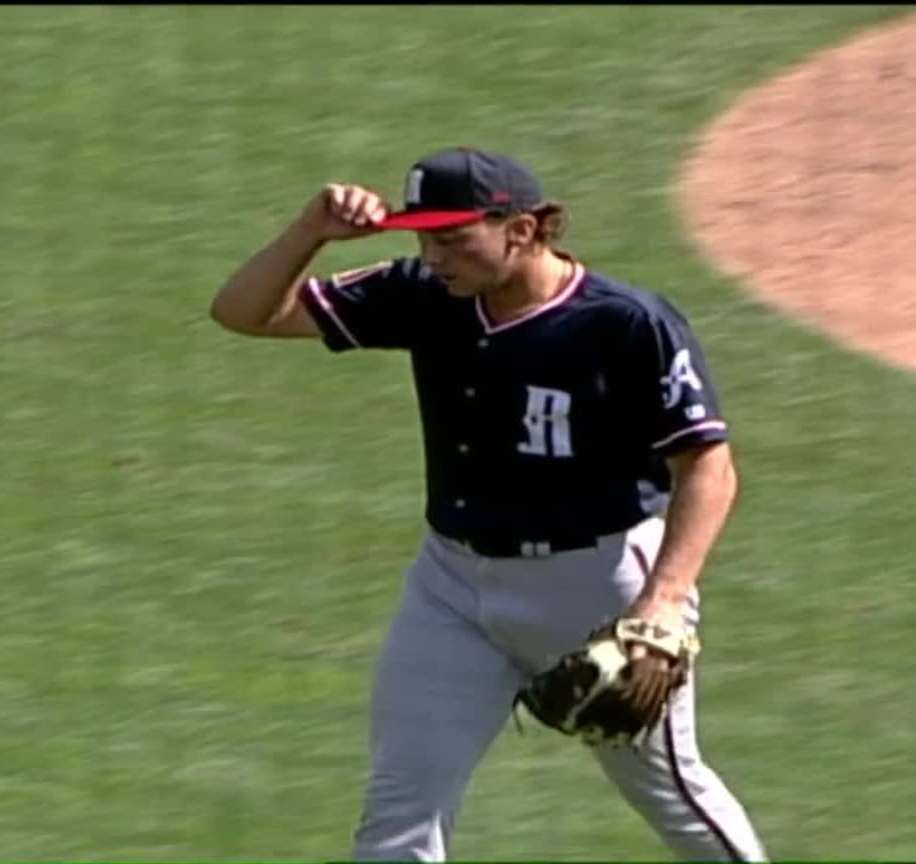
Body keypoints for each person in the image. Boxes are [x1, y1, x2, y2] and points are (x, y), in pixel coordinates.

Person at [210, 146, 769, 862]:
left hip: (597, 585)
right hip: (450, 588)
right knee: (399, 809)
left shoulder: (627, 324)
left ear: (523, 229)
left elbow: (709, 470)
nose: (434, 255)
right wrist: (310, 229)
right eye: (421, 236)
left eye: (452, 237)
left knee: (673, 796)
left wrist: (662, 603)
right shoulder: (423, 295)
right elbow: (245, 313)